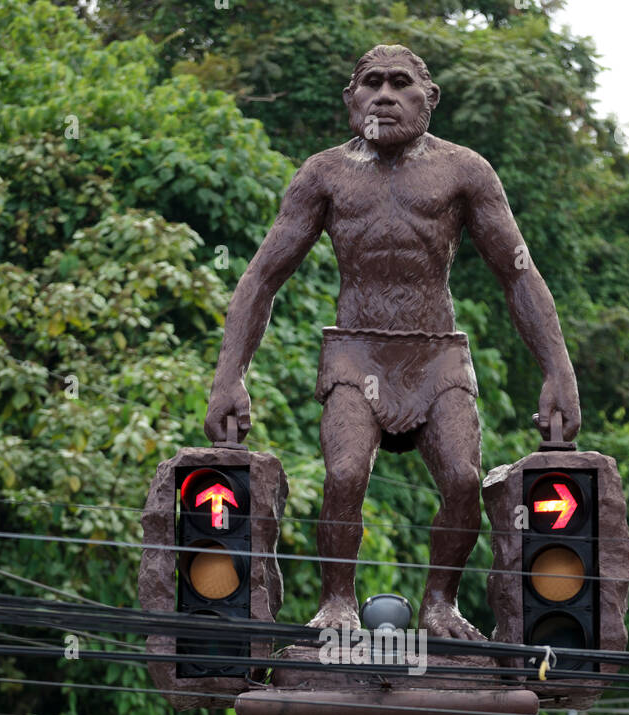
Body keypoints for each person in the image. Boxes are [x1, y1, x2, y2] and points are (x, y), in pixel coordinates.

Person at [205, 44, 580, 639]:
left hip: (435, 352)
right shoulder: (324, 174)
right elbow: (262, 276)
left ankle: (439, 604)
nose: (384, 94)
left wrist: (558, 370)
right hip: (356, 349)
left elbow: (517, 272)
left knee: (462, 479)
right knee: (346, 475)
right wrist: (230, 375)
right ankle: (337, 602)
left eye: (400, 83)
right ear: (351, 100)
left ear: (428, 99)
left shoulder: (465, 171)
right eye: (371, 83)